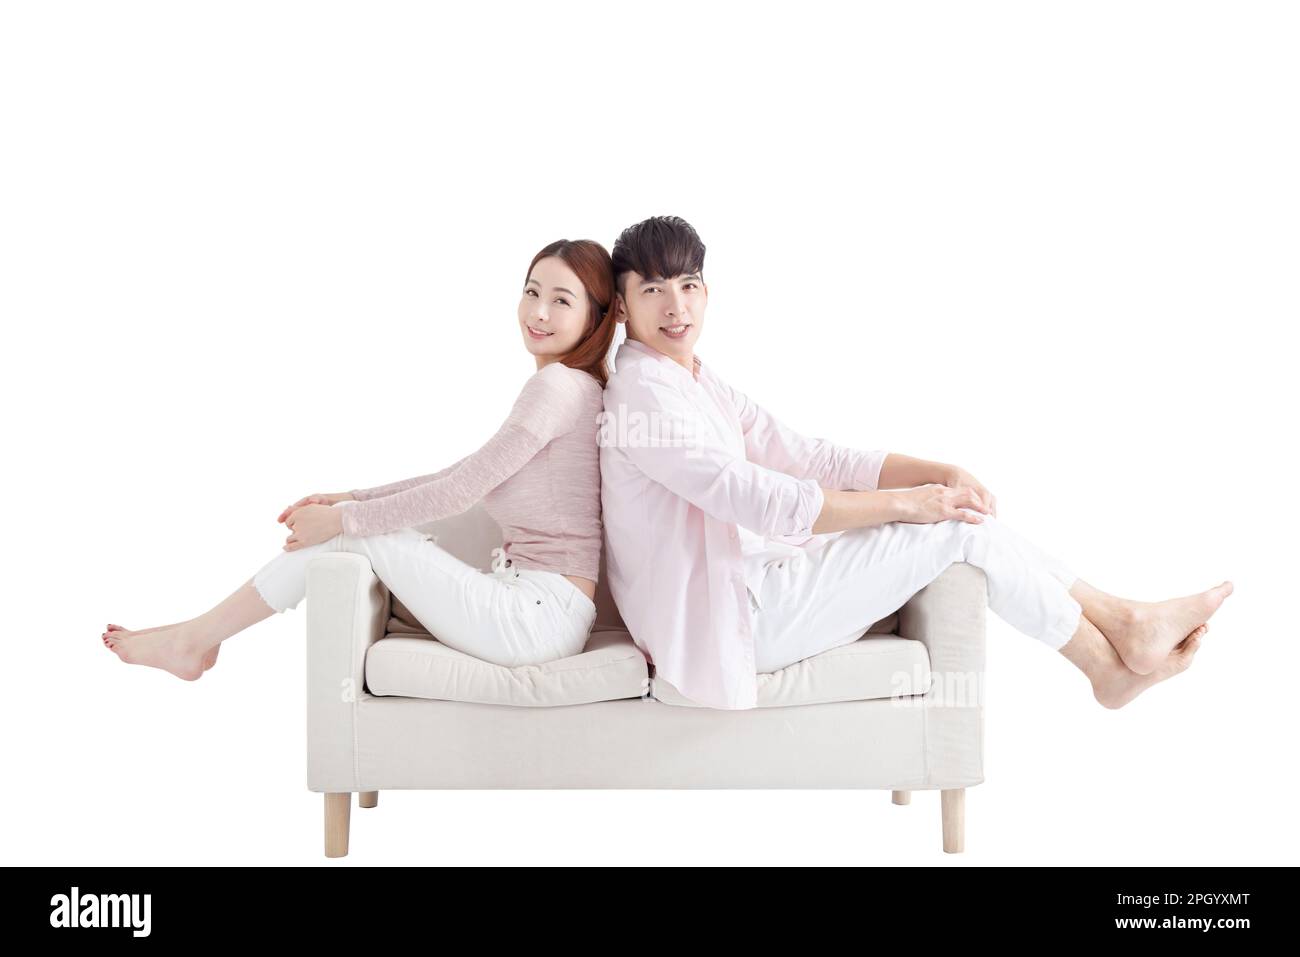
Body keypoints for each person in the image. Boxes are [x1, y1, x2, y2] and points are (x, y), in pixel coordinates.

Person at [597, 215, 1233, 710]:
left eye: (688, 286)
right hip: (731, 622)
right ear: (624, 305)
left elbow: (809, 455)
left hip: (756, 586)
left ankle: (1120, 624)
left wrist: (937, 470)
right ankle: (1107, 657)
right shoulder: (643, 393)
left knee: (956, 513)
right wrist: (914, 503)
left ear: (708, 292)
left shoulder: (695, 379)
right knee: (953, 528)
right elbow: (757, 497)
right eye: (653, 290)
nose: (676, 306)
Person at [103, 239, 617, 679]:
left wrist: (342, 518)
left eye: (561, 300)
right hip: (538, 609)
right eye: (531, 292)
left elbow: (460, 490)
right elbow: (464, 473)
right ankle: (195, 635)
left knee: (351, 533)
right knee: (350, 528)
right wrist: (352, 496)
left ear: (595, 315)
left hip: (535, 618)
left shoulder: (556, 388)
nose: (538, 312)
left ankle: (194, 640)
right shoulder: (575, 388)